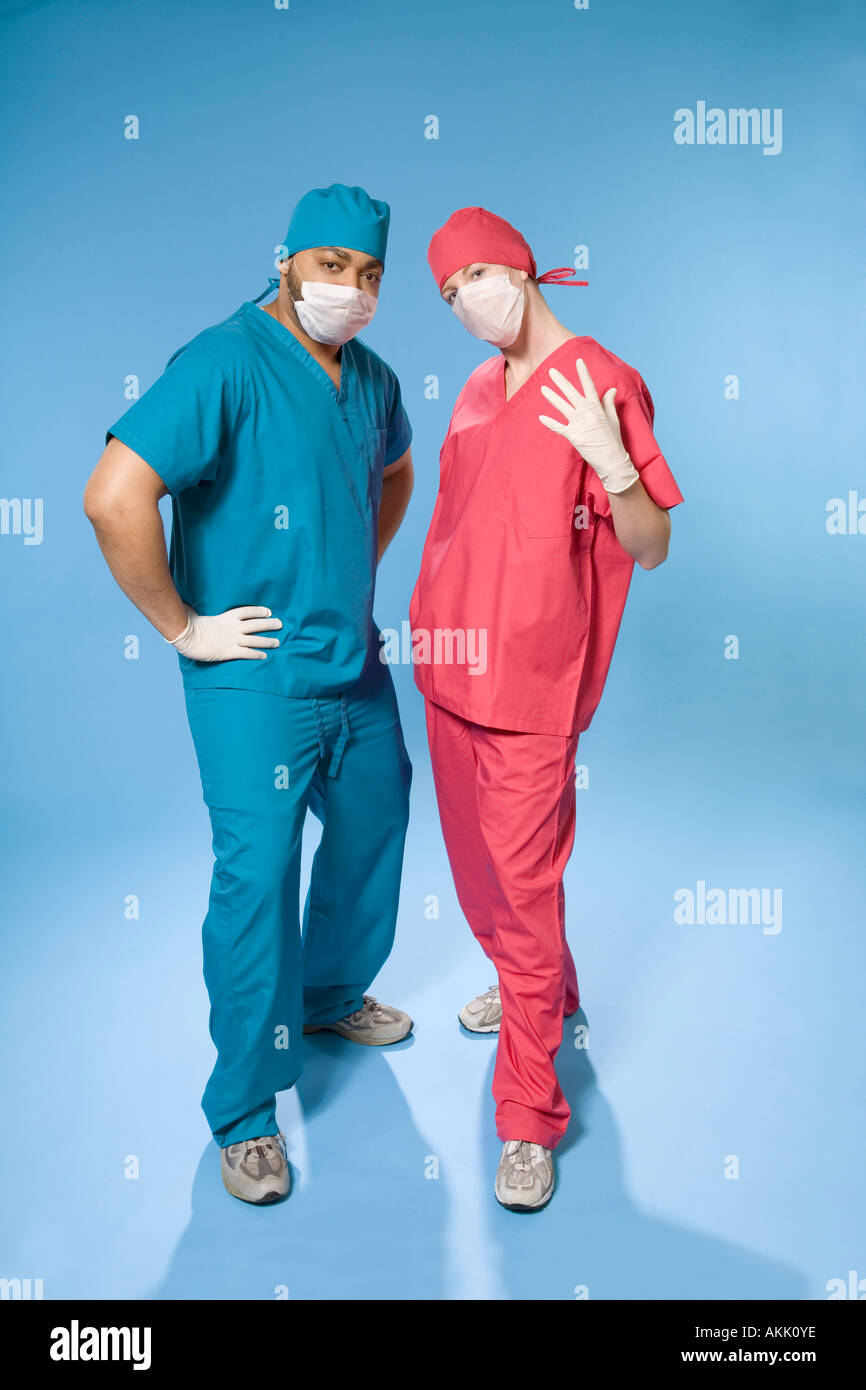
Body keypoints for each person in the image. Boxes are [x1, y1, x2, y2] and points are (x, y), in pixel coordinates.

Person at [84, 183, 415, 1207]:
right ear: (285, 262)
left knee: (375, 825)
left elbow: (395, 471)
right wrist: (185, 626)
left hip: (351, 665)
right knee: (257, 876)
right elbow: (113, 494)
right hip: (253, 678)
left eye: (367, 275)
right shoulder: (223, 361)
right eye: (330, 267)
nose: (349, 291)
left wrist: (348, 571)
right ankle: (241, 1111)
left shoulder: (371, 377)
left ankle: (324, 996)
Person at [409, 205, 684, 1212]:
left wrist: (614, 469)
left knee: (524, 894)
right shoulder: (477, 391)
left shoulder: (604, 381)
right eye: (446, 293)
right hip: (446, 669)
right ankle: (544, 995)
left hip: (530, 684)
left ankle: (527, 1119)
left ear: (519, 268)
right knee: (480, 878)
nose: (464, 301)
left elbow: (648, 545)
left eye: (473, 275)